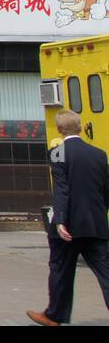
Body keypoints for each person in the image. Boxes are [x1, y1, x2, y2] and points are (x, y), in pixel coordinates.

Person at [27, 110, 109, 326]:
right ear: (80, 127)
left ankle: (54, 316)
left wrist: (61, 220)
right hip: (95, 224)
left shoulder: (57, 153)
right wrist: (101, 214)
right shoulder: (99, 154)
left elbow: (62, 189)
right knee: (106, 271)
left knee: (60, 270)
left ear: (59, 129)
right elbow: (105, 190)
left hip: (68, 226)